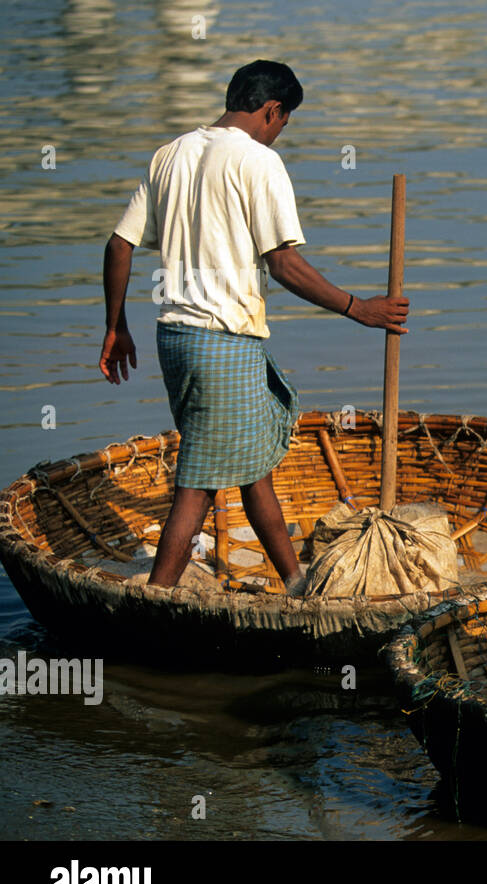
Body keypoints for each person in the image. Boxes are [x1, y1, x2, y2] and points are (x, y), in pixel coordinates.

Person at [99, 60, 408, 593]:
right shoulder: (258, 162)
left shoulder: (169, 154)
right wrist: (360, 308)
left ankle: (293, 582)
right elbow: (283, 263)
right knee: (196, 484)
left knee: (248, 466)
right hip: (222, 341)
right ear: (272, 110)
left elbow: (119, 245)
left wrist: (115, 325)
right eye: (284, 122)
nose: (280, 132)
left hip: (175, 338)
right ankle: (157, 598)